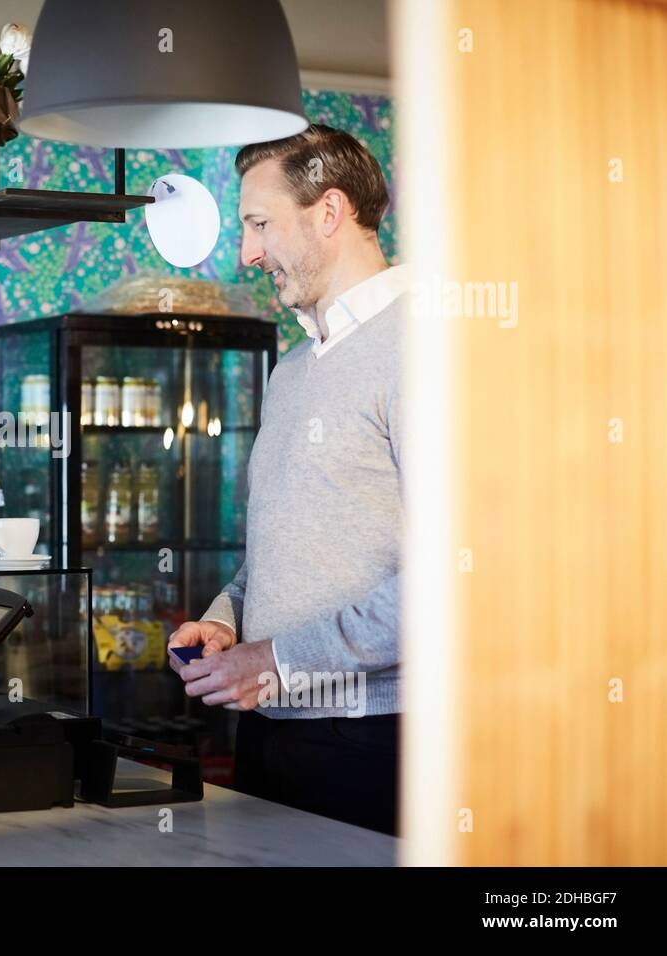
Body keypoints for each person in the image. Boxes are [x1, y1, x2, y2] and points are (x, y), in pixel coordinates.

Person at [168, 125, 409, 835]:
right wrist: (224, 621)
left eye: (260, 224)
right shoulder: (294, 369)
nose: (247, 252)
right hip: (270, 728)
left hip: (374, 739)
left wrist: (271, 658)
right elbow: (285, 543)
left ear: (329, 213)